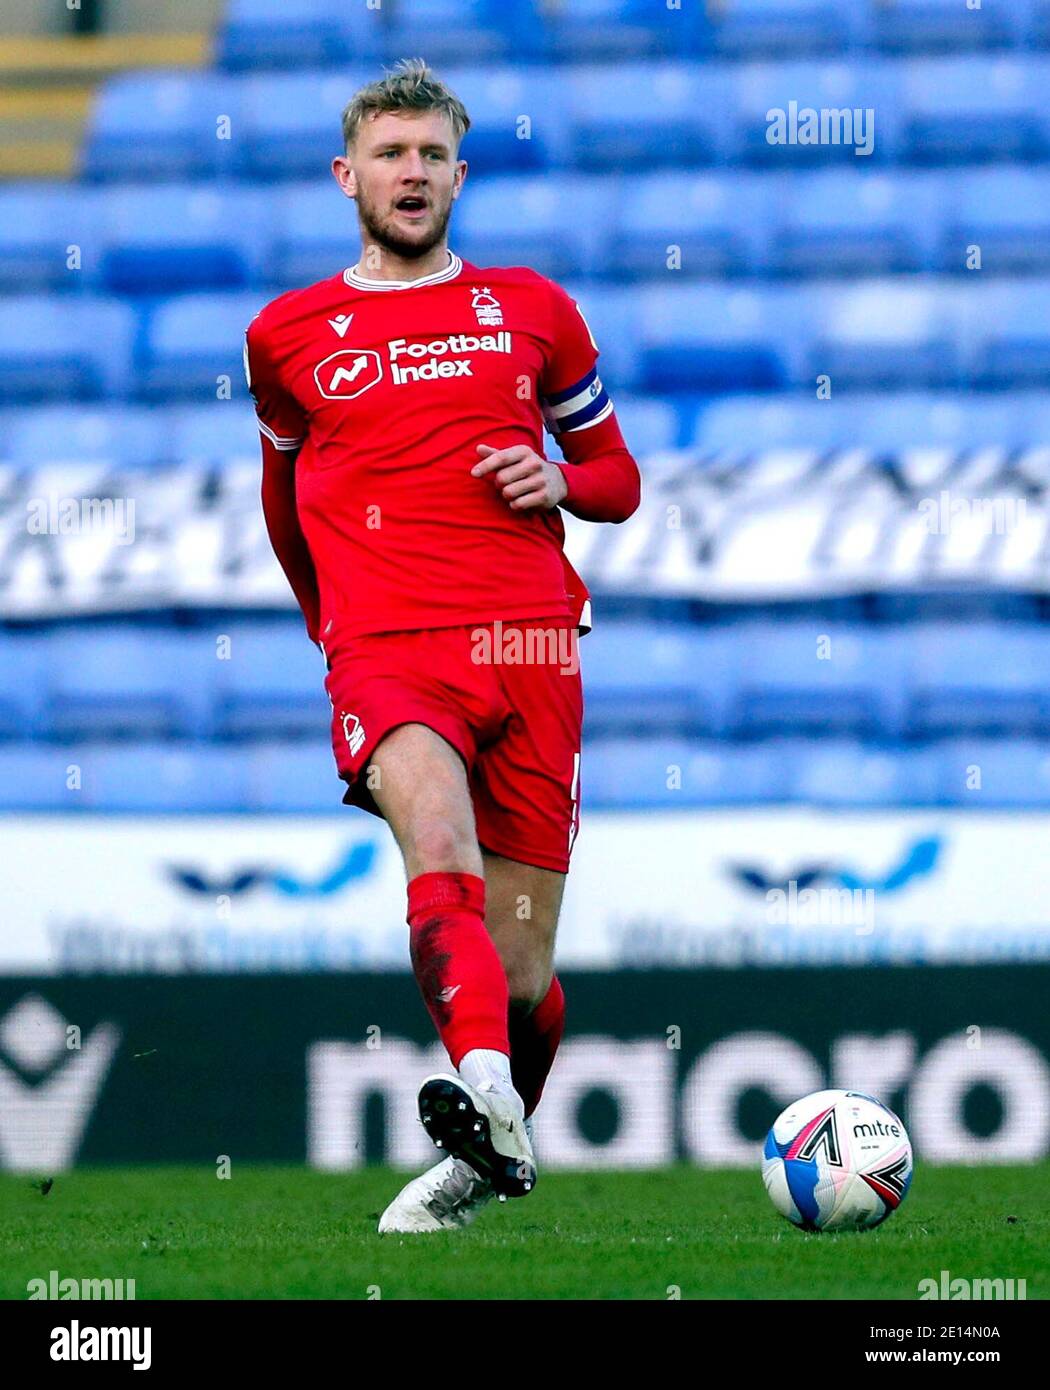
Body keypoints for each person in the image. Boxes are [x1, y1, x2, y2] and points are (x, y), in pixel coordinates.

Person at [245, 59, 640, 1233]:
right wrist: (332, 626)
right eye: (389, 153)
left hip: (531, 642)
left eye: (431, 155)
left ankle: (483, 1154)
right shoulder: (288, 335)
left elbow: (619, 482)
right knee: (432, 830)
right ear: (346, 174)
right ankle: (480, 1090)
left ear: (459, 175)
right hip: (389, 646)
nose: (410, 172)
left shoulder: (534, 309)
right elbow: (280, 498)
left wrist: (560, 478)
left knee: (520, 978)